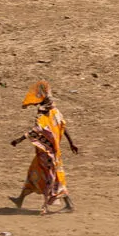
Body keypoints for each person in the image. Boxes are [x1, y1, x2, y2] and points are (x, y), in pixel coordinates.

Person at [10, 80, 78, 212]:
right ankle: (20, 199)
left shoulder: (44, 114)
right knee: (34, 173)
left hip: (47, 153)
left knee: (51, 177)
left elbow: (36, 130)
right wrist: (71, 143)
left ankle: (51, 206)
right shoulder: (55, 110)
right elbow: (63, 126)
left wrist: (19, 140)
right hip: (50, 151)